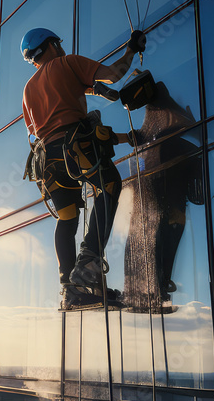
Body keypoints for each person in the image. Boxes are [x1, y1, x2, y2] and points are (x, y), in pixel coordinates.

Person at [20, 27, 146, 310]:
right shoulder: (67, 62)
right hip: (74, 147)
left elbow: (43, 124)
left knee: (66, 219)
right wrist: (132, 49)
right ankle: (88, 262)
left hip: (48, 162)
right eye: (58, 44)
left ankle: (71, 289)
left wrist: (94, 90)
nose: (61, 48)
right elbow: (114, 73)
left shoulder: (28, 90)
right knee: (109, 185)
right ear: (51, 44)